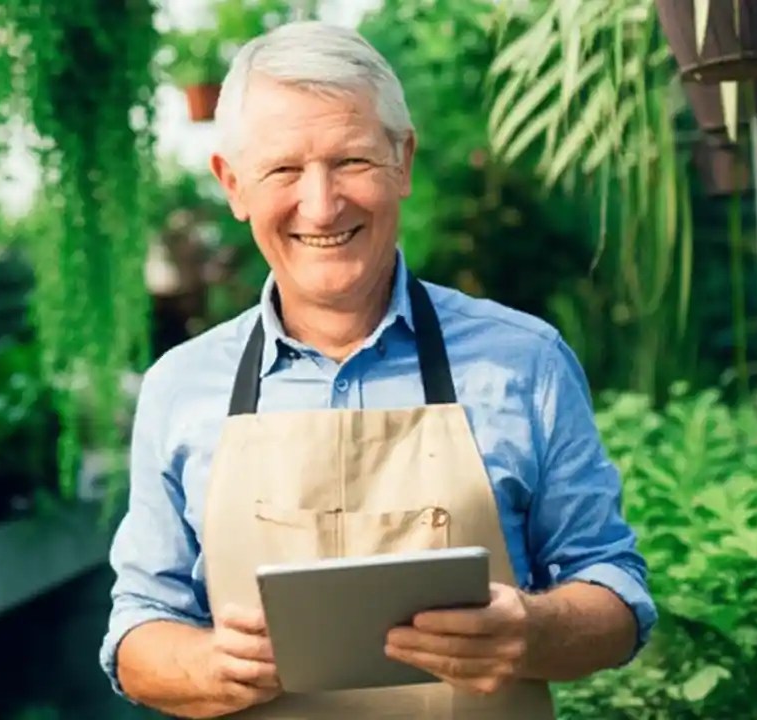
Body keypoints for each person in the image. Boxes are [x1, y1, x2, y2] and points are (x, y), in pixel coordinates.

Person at [99, 20, 656, 719]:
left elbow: (616, 590)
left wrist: (533, 630)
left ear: (404, 161)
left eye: (352, 161)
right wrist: (202, 665)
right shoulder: (180, 388)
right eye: (283, 170)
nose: (322, 203)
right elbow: (137, 629)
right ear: (233, 185)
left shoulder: (525, 362)